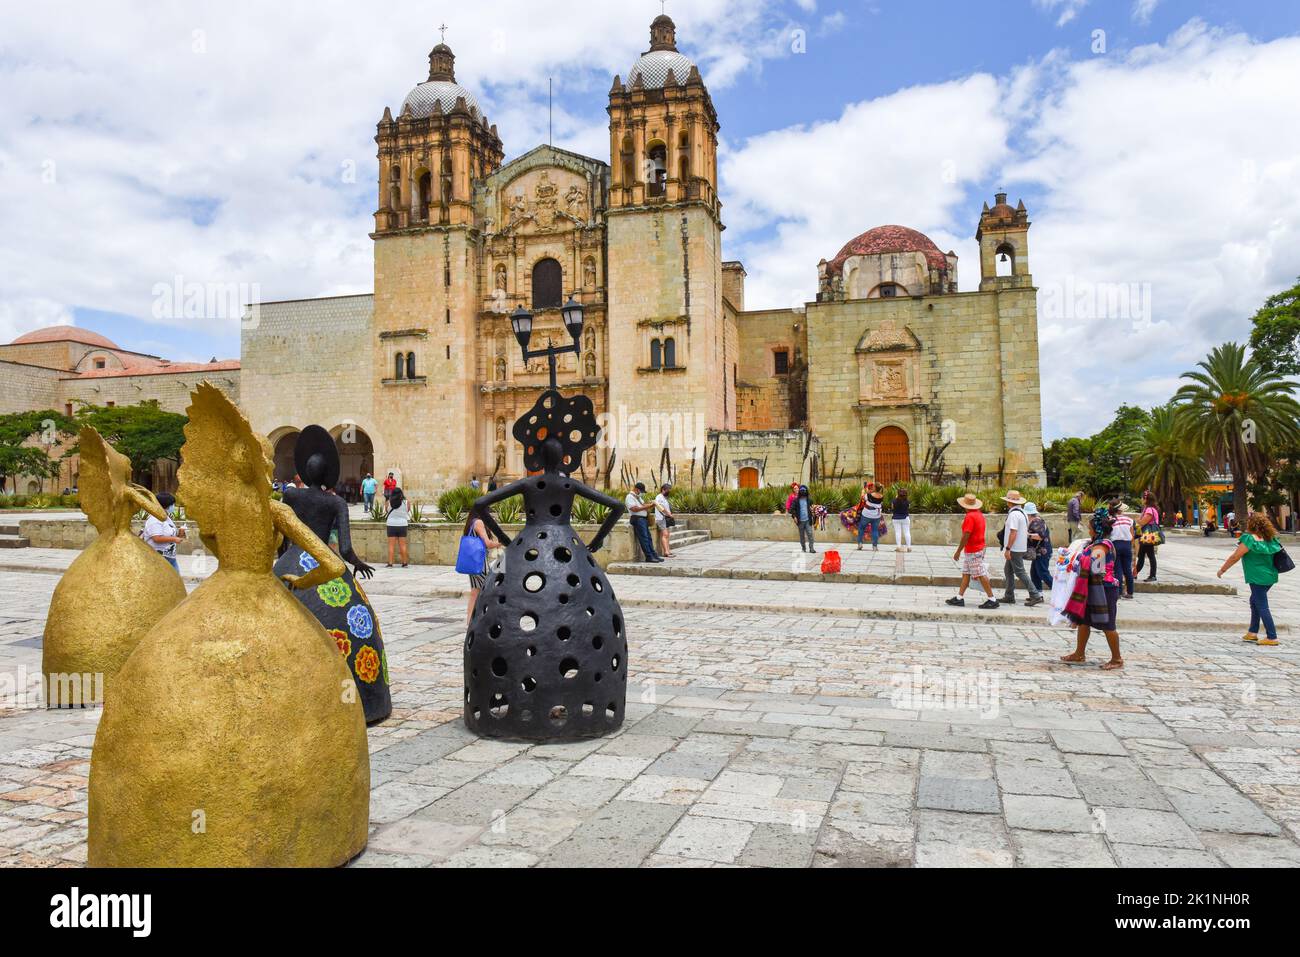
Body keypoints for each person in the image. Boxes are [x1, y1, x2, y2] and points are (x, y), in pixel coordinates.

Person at [1060, 507, 1124, 670]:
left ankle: (1117, 659)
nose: (1088, 530)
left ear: (1096, 530)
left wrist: (1078, 559)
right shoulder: (1094, 543)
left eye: (1089, 528)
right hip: (1093, 586)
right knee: (1084, 620)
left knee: (1108, 624)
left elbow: (1096, 566)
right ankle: (1079, 653)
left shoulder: (1102, 545)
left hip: (1104, 589)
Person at [1217, 512, 1283, 646]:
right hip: (1270, 576)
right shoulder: (1270, 538)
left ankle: (1272, 636)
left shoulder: (1249, 539)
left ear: (1251, 524)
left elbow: (1235, 556)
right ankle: (1252, 632)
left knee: (1262, 605)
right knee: (1254, 601)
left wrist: (1222, 569)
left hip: (1257, 577)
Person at [947, 493, 998, 608]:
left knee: (980, 573)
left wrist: (958, 551)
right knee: (966, 572)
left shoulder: (969, 517)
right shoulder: (979, 514)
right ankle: (959, 597)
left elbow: (966, 535)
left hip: (973, 549)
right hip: (977, 547)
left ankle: (992, 599)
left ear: (965, 506)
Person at [1001, 490, 1043, 607]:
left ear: (1009, 502)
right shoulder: (1022, 513)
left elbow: (1013, 532)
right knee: (1008, 570)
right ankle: (1009, 595)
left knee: (1020, 572)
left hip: (1014, 548)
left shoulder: (1014, 514)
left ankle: (1035, 595)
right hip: (1019, 547)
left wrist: (1008, 548)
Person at [462, 508, 500, 624]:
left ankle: (469, 620)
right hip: (479, 563)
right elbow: (488, 544)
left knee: (475, 592)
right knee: (489, 590)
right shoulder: (479, 522)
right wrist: (501, 543)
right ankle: (490, 618)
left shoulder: (471, 522)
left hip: (472, 562)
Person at [142, 491, 186, 571]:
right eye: (172, 505)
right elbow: (156, 538)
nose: (174, 507)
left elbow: (170, 535)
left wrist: (180, 533)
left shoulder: (166, 518)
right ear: (165, 505)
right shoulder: (154, 519)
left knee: (176, 581)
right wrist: (174, 539)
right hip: (158, 557)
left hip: (170, 557)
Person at [625, 482, 662, 562]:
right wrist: (649, 506)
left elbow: (642, 505)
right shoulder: (630, 497)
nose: (641, 493)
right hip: (637, 519)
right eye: (641, 491)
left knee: (648, 538)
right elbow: (634, 509)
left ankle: (653, 555)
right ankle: (649, 557)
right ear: (637, 489)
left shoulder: (638, 497)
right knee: (644, 538)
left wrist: (651, 504)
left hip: (643, 519)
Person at [1109, 500, 1136, 599]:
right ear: (1121, 510)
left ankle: (1119, 592)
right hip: (1127, 545)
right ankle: (1130, 592)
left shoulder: (1111, 519)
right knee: (1127, 569)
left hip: (1116, 545)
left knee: (1118, 569)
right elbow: (1132, 535)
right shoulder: (1129, 520)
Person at [1025, 502, 1052, 593]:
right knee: (1034, 572)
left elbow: (1040, 536)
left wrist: (1028, 535)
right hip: (1039, 551)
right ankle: (1038, 594)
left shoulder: (1037, 521)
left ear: (1028, 514)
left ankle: (1058, 591)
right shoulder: (1034, 521)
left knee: (1043, 572)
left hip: (1043, 552)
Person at [1135, 490, 1161, 583]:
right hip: (1147, 535)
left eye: (1142, 498)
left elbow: (1143, 522)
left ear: (1146, 499)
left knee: (1149, 555)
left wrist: (1136, 520)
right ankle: (1135, 573)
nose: (1141, 499)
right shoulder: (1150, 508)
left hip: (1148, 535)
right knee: (1141, 555)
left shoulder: (1149, 510)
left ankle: (1153, 575)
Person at [856, 482, 885, 551]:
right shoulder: (881, 496)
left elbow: (863, 497)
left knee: (861, 528)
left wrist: (863, 491)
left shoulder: (869, 495)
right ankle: (875, 546)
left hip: (866, 514)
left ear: (874, 488)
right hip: (876, 515)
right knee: (875, 530)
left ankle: (860, 544)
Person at [386, 487, 409, 567]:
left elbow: (387, 510)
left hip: (391, 524)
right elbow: (407, 510)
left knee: (391, 545)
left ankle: (390, 563)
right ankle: (404, 562)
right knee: (403, 545)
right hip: (402, 524)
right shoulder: (406, 502)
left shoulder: (388, 502)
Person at [792, 484, 816, 553]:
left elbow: (812, 509)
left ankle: (811, 548)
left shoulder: (810, 500)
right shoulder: (796, 500)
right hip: (800, 521)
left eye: (804, 490)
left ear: (806, 491)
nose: (803, 492)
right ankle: (803, 548)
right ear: (800, 491)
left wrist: (814, 511)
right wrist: (794, 517)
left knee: (810, 534)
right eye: (802, 490)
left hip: (808, 520)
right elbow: (792, 510)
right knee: (802, 536)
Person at [654, 483, 674, 558]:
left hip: (665, 518)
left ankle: (668, 551)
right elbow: (661, 507)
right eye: (668, 490)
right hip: (661, 518)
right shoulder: (659, 497)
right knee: (665, 534)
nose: (669, 491)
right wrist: (669, 514)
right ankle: (666, 552)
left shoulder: (664, 497)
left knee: (667, 535)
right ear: (663, 489)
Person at [890, 486, 912, 552]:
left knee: (898, 532)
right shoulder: (907, 501)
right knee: (907, 532)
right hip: (905, 518)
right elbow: (908, 508)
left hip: (896, 518)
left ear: (898, 494)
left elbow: (892, 508)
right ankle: (909, 547)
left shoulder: (894, 501)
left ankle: (898, 547)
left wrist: (896, 498)